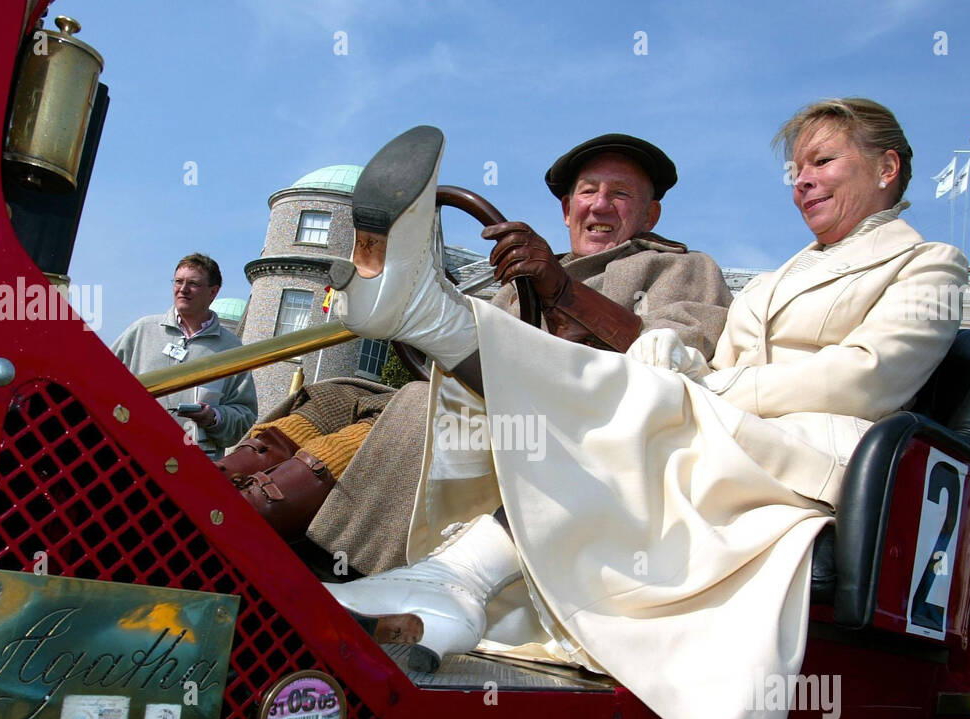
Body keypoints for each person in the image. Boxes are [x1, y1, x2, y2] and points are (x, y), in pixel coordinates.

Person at [320, 99, 968, 719]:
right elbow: (716, 362)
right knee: (628, 389)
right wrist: (682, 362)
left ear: (886, 168)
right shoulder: (775, 281)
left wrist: (707, 386)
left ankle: (435, 319)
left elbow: (868, 378)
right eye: (797, 168)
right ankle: (451, 580)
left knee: (633, 395)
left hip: (819, 453)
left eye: (823, 161)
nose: (801, 180)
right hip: (732, 432)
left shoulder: (930, 264)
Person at [224, 135, 732, 573]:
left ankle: (289, 552)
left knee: (421, 410)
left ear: (650, 214)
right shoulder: (521, 276)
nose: (600, 205)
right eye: (588, 191)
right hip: (493, 409)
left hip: (574, 439)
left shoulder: (680, 267)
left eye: (620, 194)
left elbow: (670, 362)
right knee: (337, 395)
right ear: (566, 209)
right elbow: (457, 366)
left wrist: (562, 292)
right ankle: (218, 491)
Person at [112, 253, 257, 459]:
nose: (183, 289)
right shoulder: (142, 330)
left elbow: (245, 417)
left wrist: (213, 418)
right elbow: (101, 380)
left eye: (193, 284)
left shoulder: (232, 349)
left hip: (191, 464)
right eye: (178, 281)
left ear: (213, 292)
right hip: (130, 453)